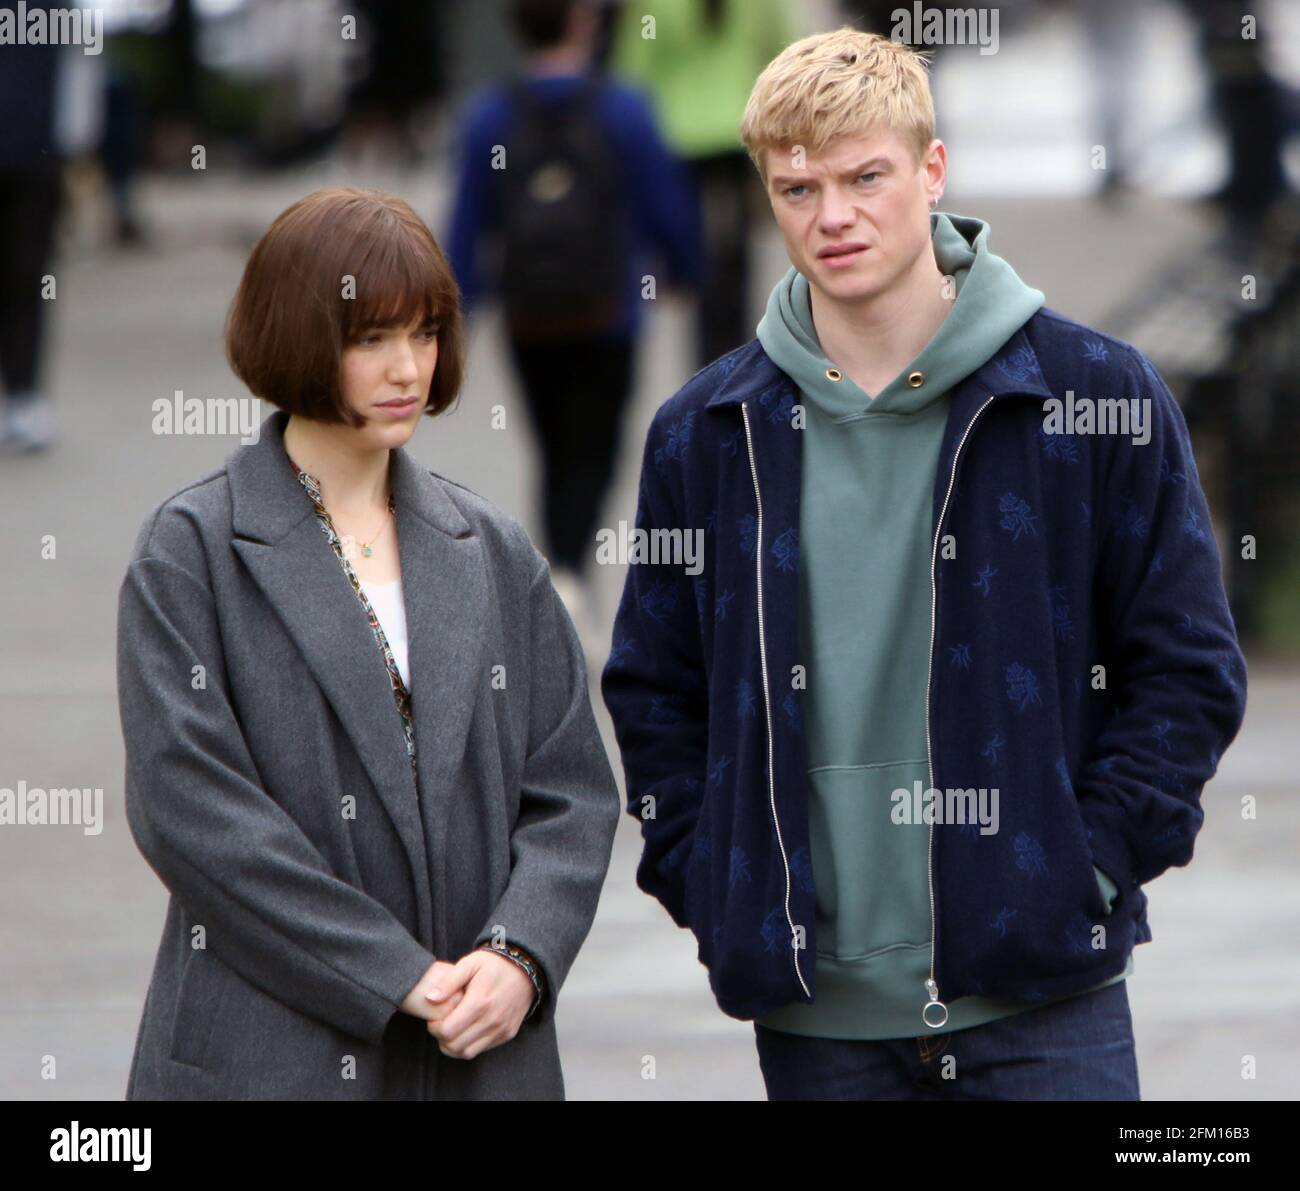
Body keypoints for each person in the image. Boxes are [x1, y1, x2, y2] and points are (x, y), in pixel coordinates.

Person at [600, 29, 1248, 1101]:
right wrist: (714, 883)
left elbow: (1185, 665)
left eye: (865, 178)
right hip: (819, 1021)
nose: (833, 217)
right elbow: (654, 690)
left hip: (1045, 1003)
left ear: (932, 171)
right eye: (797, 188)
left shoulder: (1092, 395)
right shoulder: (705, 429)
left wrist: (1081, 869)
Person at [117, 187, 620, 1100]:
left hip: (481, 1047)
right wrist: (393, 972)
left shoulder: (493, 547)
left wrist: (521, 955)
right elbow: (187, 807)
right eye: (371, 337)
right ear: (299, 335)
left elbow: (573, 791)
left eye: (425, 333)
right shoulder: (191, 549)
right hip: (269, 1049)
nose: (407, 369)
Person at [447, 0, 700, 649]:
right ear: (584, 21)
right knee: (595, 449)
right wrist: (684, 268)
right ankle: (566, 573)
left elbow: (467, 225)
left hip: (529, 316)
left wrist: (454, 316)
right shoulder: (625, 107)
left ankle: (559, 575)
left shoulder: (488, 117)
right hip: (608, 312)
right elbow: (667, 202)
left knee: (554, 446)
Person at [609, 0, 793, 368]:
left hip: (675, 142)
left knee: (689, 266)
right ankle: (742, 359)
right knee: (737, 259)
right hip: (738, 137)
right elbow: (787, 54)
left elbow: (631, 75)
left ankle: (706, 372)